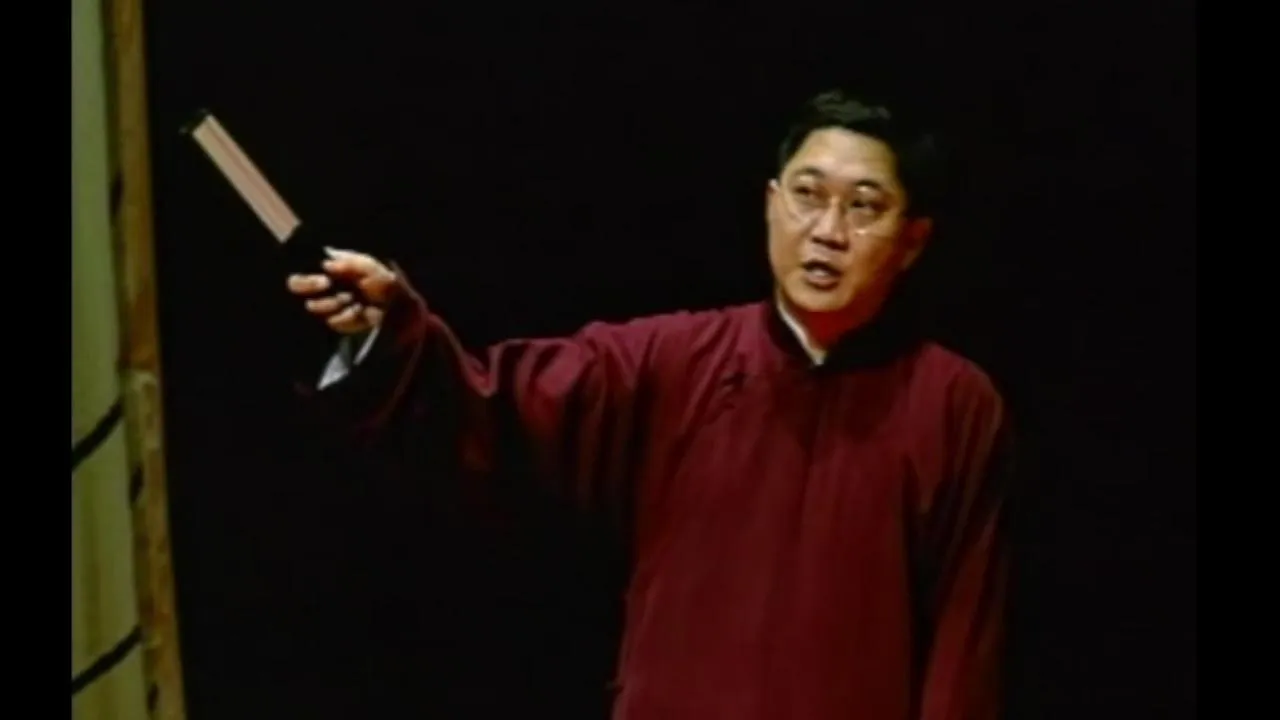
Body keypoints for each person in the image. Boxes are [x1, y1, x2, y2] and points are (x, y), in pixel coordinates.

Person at [287, 89, 1012, 720]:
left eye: (864, 207)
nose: (827, 231)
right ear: (770, 203)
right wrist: (393, 333)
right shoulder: (673, 361)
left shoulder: (952, 401)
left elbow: (964, 639)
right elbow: (497, 402)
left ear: (912, 240)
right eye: (807, 194)